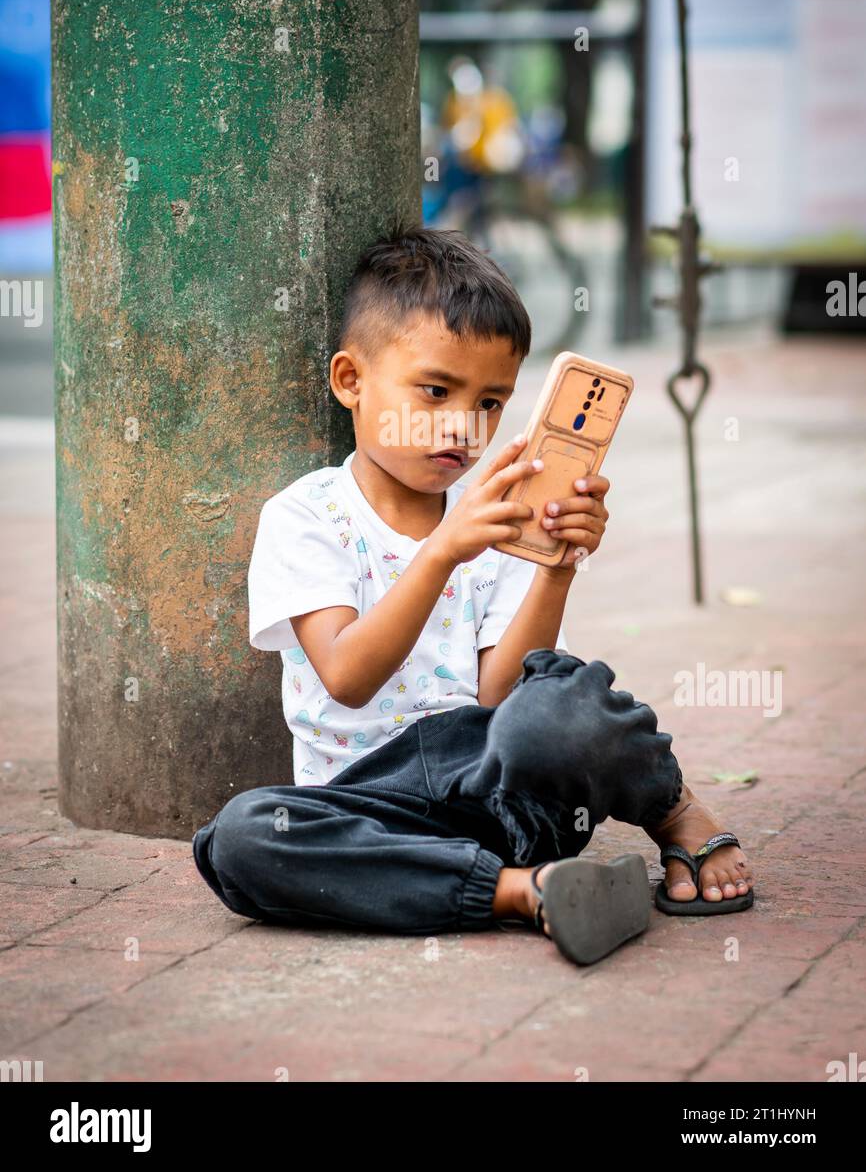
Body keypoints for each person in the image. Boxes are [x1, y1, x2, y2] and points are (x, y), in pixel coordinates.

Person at [192, 225, 755, 965]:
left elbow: (499, 698)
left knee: (562, 696)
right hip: (372, 799)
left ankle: (672, 810)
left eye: (492, 403)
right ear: (351, 382)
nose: (465, 425)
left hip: (494, 785)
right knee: (243, 836)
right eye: (436, 390)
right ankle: (524, 892)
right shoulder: (306, 517)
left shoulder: (497, 522)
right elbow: (348, 676)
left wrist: (555, 566)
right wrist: (444, 550)